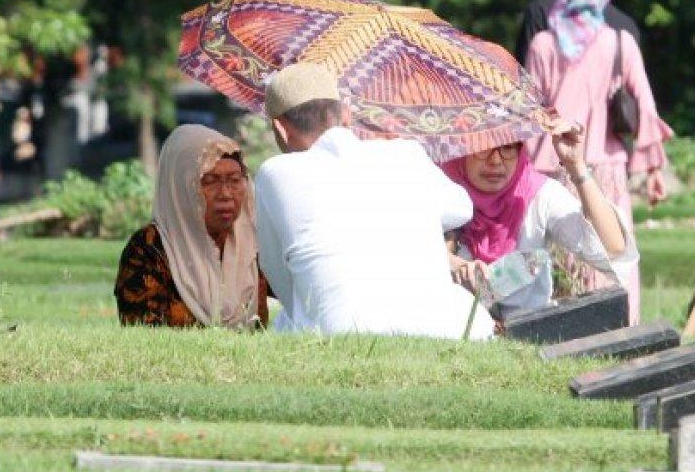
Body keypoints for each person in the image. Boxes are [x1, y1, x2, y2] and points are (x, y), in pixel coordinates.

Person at [253, 62, 495, 339]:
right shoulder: (405, 154)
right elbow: (461, 208)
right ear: (346, 115)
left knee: (289, 320)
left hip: (340, 331)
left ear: (280, 130)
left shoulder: (275, 173)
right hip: (442, 327)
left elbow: (277, 272)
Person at [523, 0, 673, 324]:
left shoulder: (543, 44)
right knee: (614, 251)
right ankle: (622, 325)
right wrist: (654, 168)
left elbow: (528, 111)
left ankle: (563, 328)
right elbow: (647, 107)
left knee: (560, 255)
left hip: (552, 164)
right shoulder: (620, 43)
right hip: (605, 167)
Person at [443, 133, 637, 321]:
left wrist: (576, 166)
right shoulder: (442, 190)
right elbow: (418, 252)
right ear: (463, 147)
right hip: (451, 328)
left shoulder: (539, 194)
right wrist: (454, 264)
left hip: (528, 334)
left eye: (507, 147)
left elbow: (613, 247)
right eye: (483, 147)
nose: (495, 160)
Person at [115, 125, 267, 329]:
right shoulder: (149, 250)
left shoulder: (252, 242)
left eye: (234, 180)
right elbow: (142, 336)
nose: (226, 194)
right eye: (210, 181)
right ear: (181, 187)